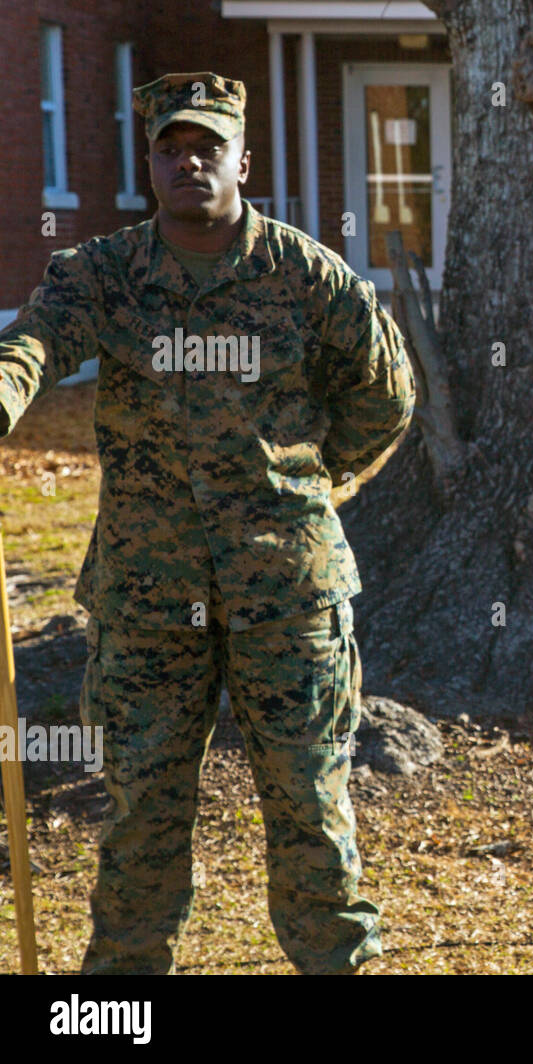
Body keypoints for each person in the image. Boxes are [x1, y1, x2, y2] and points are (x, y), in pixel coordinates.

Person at [0, 72, 415, 974]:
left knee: (311, 807)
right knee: (142, 812)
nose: (190, 161)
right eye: (171, 148)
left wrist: (309, 475)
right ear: (150, 161)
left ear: (242, 161)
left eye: (208, 146)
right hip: (149, 597)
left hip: (287, 592)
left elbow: (388, 393)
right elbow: (32, 346)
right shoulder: (102, 275)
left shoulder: (306, 275)